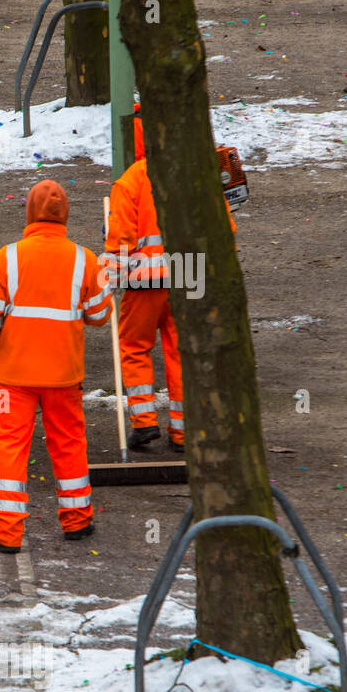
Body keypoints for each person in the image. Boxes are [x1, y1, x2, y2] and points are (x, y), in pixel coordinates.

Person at [0, 180, 112, 553]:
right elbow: (99, 315)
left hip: (13, 378)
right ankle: (77, 520)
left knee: (11, 452)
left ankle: (7, 533)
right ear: (65, 215)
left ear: (29, 212)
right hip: (64, 376)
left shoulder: (8, 258)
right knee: (69, 446)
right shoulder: (85, 259)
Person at [102, 110, 236, 453]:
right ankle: (183, 430)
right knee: (182, 353)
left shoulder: (131, 181)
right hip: (189, 277)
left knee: (134, 349)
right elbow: (225, 229)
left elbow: (120, 242)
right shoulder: (196, 175)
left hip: (144, 283)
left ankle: (144, 423)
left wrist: (112, 280)